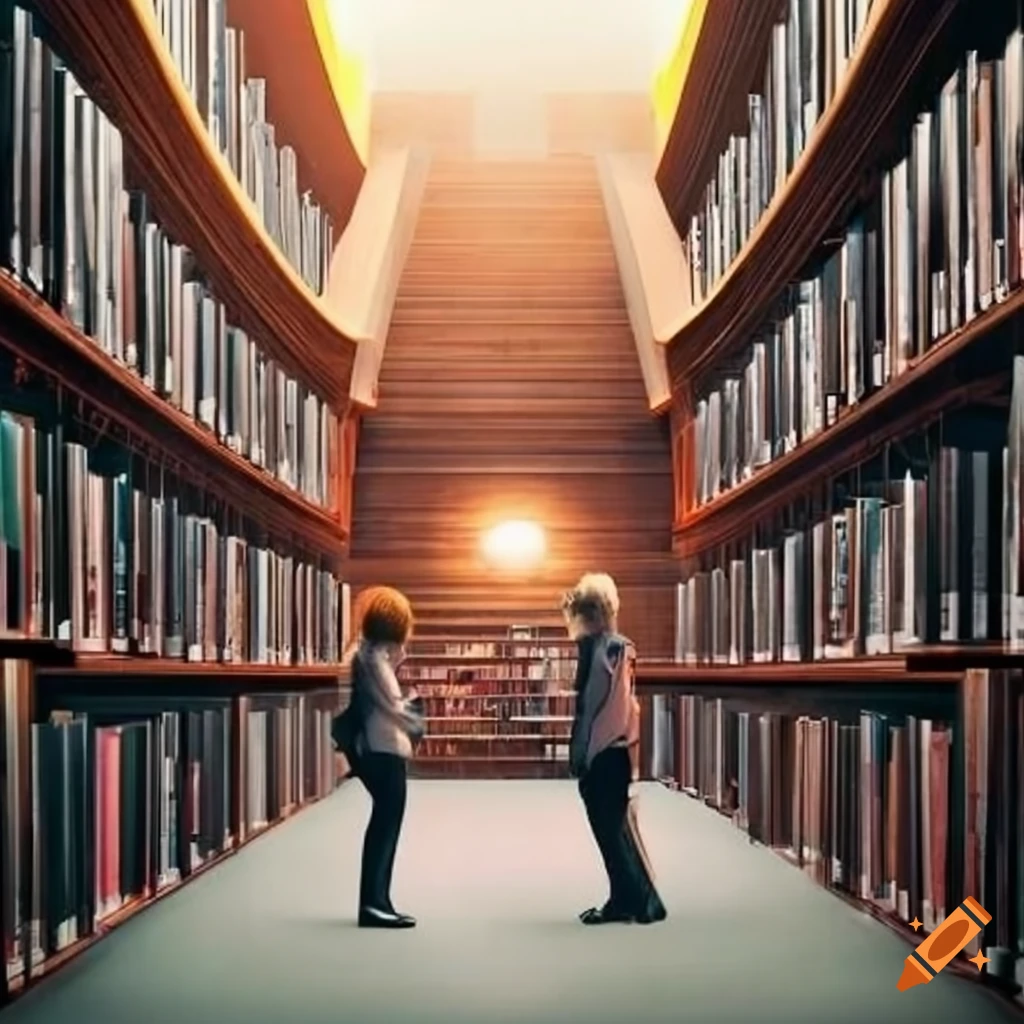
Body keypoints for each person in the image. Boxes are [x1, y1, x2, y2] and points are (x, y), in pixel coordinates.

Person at [563, 573, 667, 925]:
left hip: (601, 751)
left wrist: (580, 753)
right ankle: (643, 901)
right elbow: (629, 706)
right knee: (619, 830)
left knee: (609, 834)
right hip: (620, 749)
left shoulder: (595, 650)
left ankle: (629, 902)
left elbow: (591, 708)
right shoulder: (623, 646)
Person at [348, 585, 424, 929]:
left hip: (374, 748)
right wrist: (415, 709)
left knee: (384, 827)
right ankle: (374, 904)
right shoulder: (375, 660)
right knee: (385, 829)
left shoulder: (365, 653)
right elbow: (393, 708)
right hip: (386, 749)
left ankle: (380, 900)